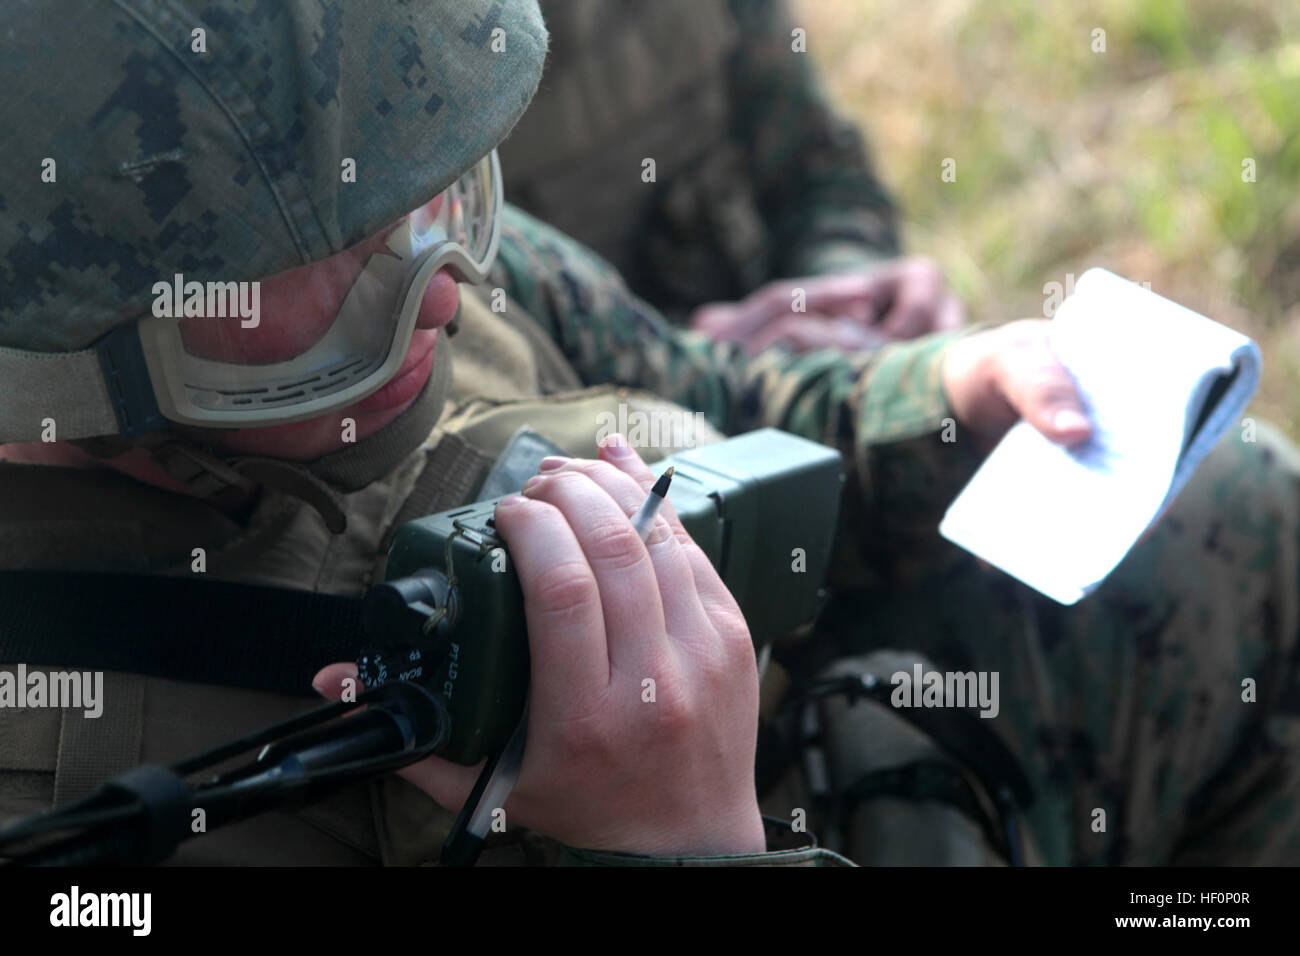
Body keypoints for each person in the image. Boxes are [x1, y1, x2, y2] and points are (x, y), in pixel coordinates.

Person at [0, 0, 1297, 867]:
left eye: (428, 193)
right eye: (329, 251)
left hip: (848, 735)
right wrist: (675, 847)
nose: (437, 277)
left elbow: (724, 400)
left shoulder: (426, 245)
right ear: (58, 353)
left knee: (1232, 511)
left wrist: (944, 391)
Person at [499, 0, 966, 353]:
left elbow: (813, 161)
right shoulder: (440, 48)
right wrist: (721, 368)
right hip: (598, 441)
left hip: (795, 381)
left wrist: (850, 293)